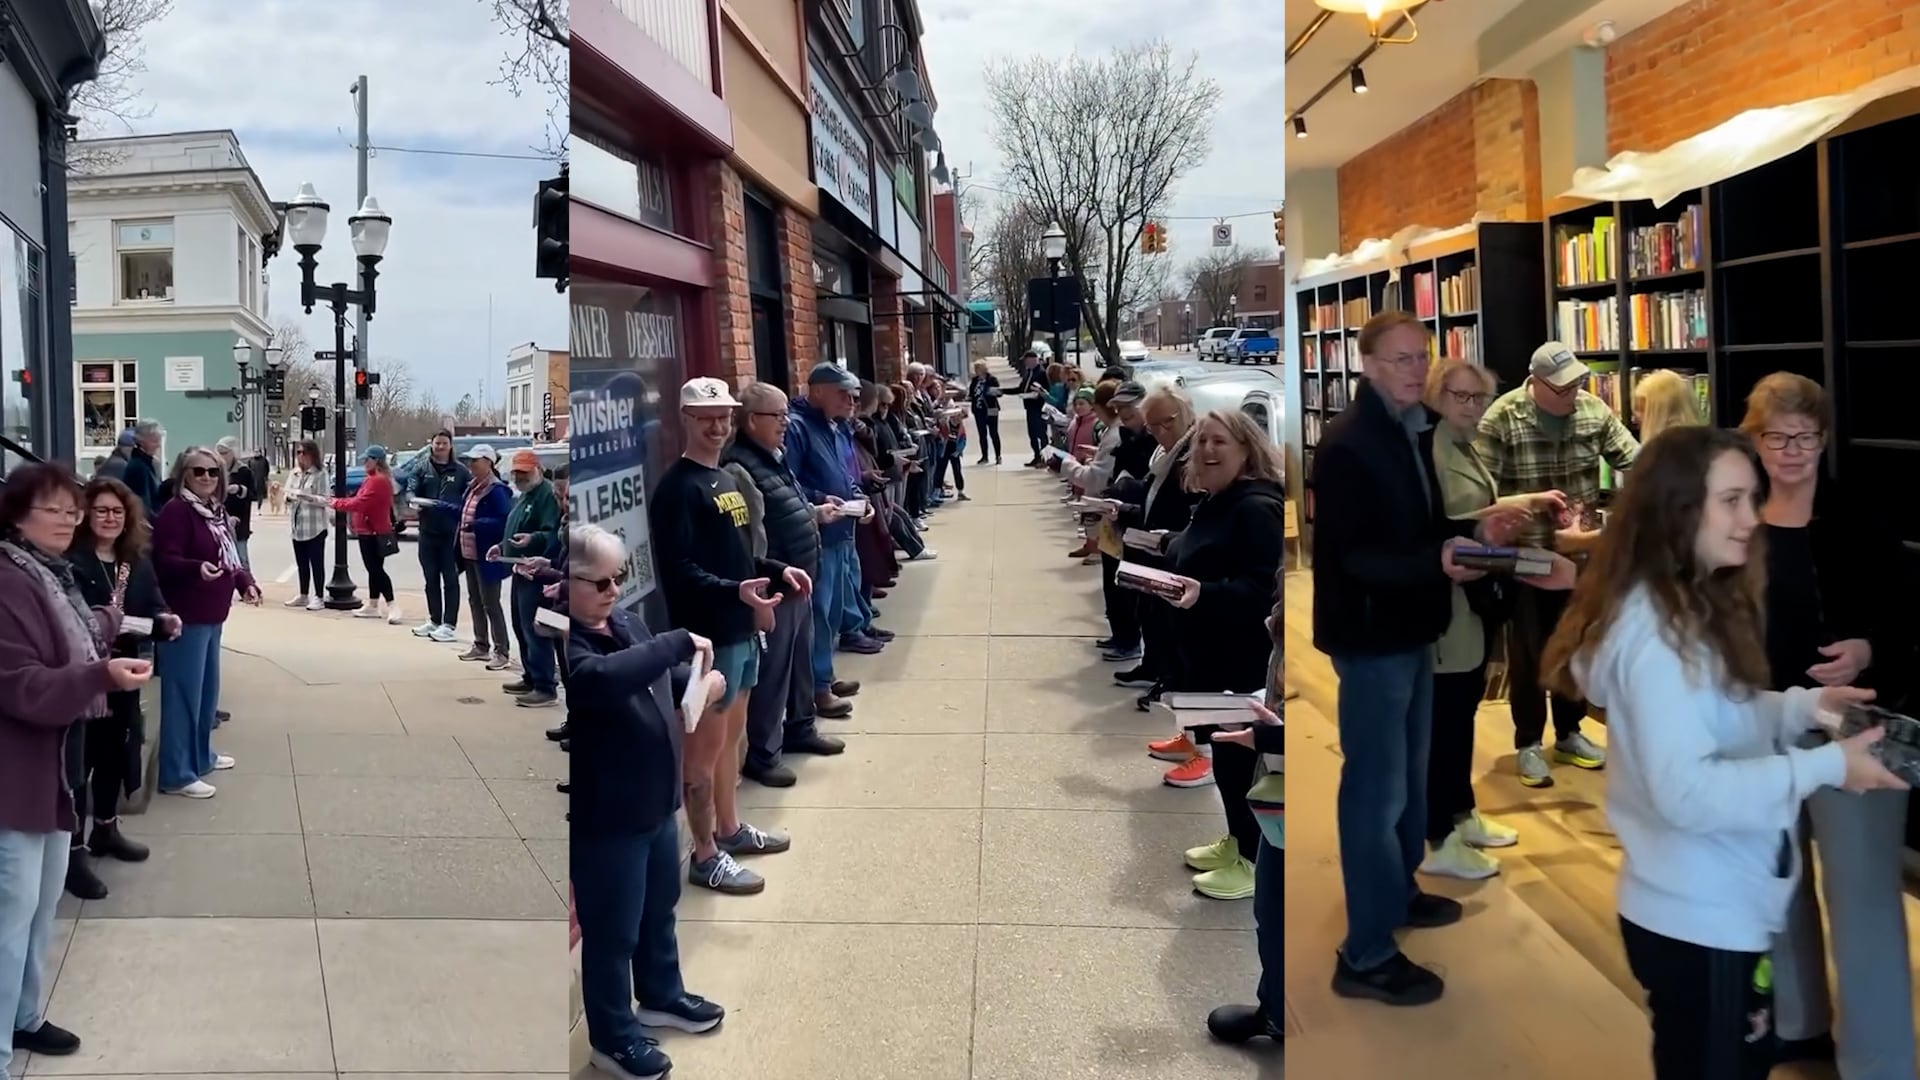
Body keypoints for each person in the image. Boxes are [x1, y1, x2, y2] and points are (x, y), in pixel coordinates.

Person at [1537, 423, 1903, 1080]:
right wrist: (1826, 766)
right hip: (1697, 920)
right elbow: (1689, 792)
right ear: (1680, 511)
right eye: (1731, 501)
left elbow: (1716, 715)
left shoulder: (1685, 607)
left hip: (1713, 910)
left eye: (1749, 499)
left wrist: (1803, 707)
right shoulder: (1657, 636)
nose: (1749, 519)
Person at [1311, 311, 1524, 1006]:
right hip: (1373, 638)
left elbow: (1421, 528)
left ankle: (1396, 895)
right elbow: (1349, 556)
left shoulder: (1410, 431)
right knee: (1375, 794)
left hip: (1410, 629)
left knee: (1407, 782)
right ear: (1367, 364)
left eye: (1420, 357)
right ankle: (1365, 955)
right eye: (1399, 359)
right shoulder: (1349, 443)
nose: (1413, 369)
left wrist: (1472, 531)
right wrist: (1435, 560)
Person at [1738, 373, 1915, 1077]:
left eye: (1805, 436)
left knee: (1864, 899)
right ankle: (1799, 1024)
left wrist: (1871, 648)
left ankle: (1880, 1062)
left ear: (1823, 439)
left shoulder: (1858, 517)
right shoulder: (1735, 516)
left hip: (1856, 731)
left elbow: (1907, 614)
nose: (1791, 450)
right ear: (1754, 440)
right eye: (1777, 436)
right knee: (1777, 885)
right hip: (1757, 727)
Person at [0, 462, 154, 1074]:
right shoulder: (8, 583)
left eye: (74, 509)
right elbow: (21, 684)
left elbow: (78, 630)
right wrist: (101, 673)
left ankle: (24, 1016)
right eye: (55, 509)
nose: (70, 520)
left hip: (56, 767)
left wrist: (111, 626)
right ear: (16, 515)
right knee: (10, 915)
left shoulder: (48, 575)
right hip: (16, 774)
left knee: (39, 908)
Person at [567, 523, 727, 1080]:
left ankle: (660, 993)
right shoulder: (570, 642)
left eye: (620, 578)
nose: (613, 591)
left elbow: (660, 673)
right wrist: (675, 643)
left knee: (659, 910)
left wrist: (701, 680)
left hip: (656, 806)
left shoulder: (626, 621)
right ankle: (612, 1037)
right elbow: (606, 679)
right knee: (613, 933)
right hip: (608, 818)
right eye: (600, 582)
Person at [650, 377, 802, 895]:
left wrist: (777, 571)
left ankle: (730, 829)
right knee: (702, 752)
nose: (716, 426)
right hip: (706, 640)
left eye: (723, 417)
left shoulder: (728, 480)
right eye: (705, 417)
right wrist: (737, 590)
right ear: (686, 420)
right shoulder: (677, 489)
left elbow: (737, 556)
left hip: (741, 632)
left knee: (732, 740)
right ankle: (704, 852)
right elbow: (679, 569)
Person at [1418, 358, 1565, 880]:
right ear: (1436, 396)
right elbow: (1445, 522)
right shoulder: (1432, 449)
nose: (1474, 407)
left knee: (1462, 718)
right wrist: (1496, 530)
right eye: (1462, 397)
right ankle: (1440, 837)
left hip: (1472, 606)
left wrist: (1526, 502)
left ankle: (1462, 814)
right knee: (1447, 726)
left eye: (1480, 398)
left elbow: (1478, 504)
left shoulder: (1461, 444)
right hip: (1448, 610)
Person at [1476, 341, 1638, 787]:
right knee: (1528, 652)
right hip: (1526, 555)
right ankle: (1528, 742)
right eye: (1563, 388)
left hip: (1579, 551)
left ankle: (1569, 732)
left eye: (1578, 384)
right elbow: (1480, 497)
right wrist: (1524, 508)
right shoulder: (1502, 417)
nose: (1573, 394)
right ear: (1536, 382)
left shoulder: (1593, 410)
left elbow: (1636, 460)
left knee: (1575, 645)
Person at [1155, 409, 1285, 901]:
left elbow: (1264, 590)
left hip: (1241, 660)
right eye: (1201, 442)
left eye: (1219, 442)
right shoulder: (1216, 501)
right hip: (1209, 656)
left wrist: (1204, 593)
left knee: (1241, 760)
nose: (1207, 451)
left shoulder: (1256, 508)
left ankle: (1253, 861)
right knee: (1226, 760)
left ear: (1247, 449)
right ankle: (1237, 840)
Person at [723, 382, 851, 789]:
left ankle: (801, 728)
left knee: (798, 666)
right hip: (775, 587)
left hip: (799, 579)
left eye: (784, 414)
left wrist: (814, 513)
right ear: (750, 420)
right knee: (773, 674)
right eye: (775, 416)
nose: (784, 423)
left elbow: (785, 510)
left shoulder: (773, 457)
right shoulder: (739, 468)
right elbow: (750, 538)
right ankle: (763, 754)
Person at [64, 477, 178, 899]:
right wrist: (147, 625)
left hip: (125, 672)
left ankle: (106, 829)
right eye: (101, 511)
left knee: (116, 754)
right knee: (80, 766)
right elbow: (85, 621)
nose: (110, 519)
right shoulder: (72, 562)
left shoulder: (135, 558)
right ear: (86, 516)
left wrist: (166, 618)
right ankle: (72, 852)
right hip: (84, 677)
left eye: (117, 511)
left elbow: (152, 604)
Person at [150, 447, 260, 798]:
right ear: (184, 473)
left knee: (205, 696)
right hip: (186, 616)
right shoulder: (176, 512)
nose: (207, 478)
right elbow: (164, 560)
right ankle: (176, 773)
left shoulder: (214, 511)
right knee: (183, 696)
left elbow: (229, 555)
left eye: (213, 472)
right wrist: (194, 568)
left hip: (213, 615)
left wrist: (245, 583)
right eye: (198, 471)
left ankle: (199, 758)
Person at [786, 362, 881, 695]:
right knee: (820, 613)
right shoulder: (797, 428)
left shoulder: (833, 426)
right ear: (817, 391)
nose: (850, 400)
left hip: (841, 529)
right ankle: (817, 685)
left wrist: (859, 499)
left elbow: (846, 473)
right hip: (819, 534)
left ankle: (824, 678)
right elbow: (789, 483)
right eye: (842, 393)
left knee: (833, 610)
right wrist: (819, 499)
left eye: (853, 394)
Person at [497, 449, 563, 707]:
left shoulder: (545, 495)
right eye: (516, 473)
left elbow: (551, 533)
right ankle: (531, 675)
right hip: (520, 569)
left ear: (537, 469)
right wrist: (502, 547)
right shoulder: (524, 496)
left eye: (524, 472)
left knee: (536, 629)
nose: (519, 477)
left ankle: (545, 685)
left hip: (538, 573)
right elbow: (514, 528)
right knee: (520, 625)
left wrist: (532, 540)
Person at [442, 444, 514, 671]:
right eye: (470, 461)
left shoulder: (497, 490)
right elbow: (463, 512)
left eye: (476, 461)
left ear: (489, 463)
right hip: (469, 554)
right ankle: (480, 644)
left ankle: (501, 650)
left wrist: (477, 524)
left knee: (490, 602)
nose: (471, 465)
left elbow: (504, 521)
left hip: (487, 555)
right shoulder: (473, 487)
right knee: (475, 600)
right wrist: (440, 507)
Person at [407, 431, 471, 644]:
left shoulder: (461, 471)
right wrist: (412, 501)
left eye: (444, 443)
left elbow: (469, 498)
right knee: (430, 578)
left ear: (450, 446)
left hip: (450, 534)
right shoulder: (422, 467)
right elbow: (411, 489)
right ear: (431, 445)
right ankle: (434, 620)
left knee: (450, 579)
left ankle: (449, 625)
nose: (440, 447)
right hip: (427, 531)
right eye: (437, 443)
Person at [329, 446, 401, 625]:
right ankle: (373, 604)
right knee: (373, 568)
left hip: (373, 530)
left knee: (375, 569)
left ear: (376, 461)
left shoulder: (377, 481)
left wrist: (336, 503)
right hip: (369, 529)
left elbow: (360, 503)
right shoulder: (373, 479)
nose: (364, 463)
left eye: (367, 460)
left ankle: (392, 604)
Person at [283, 439, 330, 611]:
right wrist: (288, 497)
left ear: (312, 454)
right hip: (298, 526)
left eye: (304, 453)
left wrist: (309, 498)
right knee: (301, 563)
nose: (300, 457)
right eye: (298, 453)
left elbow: (326, 499)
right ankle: (303, 594)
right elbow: (287, 492)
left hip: (315, 526)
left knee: (316, 562)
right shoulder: (294, 473)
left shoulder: (320, 474)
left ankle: (318, 596)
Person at [214, 437, 257, 570]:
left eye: (225, 453)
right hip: (218, 521)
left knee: (241, 559)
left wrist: (239, 489)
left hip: (239, 523)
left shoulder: (244, 471)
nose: (222, 457)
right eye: (219, 453)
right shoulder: (214, 471)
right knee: (221, 559)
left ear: (233, 453)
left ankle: (249, 588)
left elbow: (253, 494)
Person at [1632, 368, 1703, 444]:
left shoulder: (1666, 449)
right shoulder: (1701, 444)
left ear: (1661, 410)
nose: (1634, 419)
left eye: (1641, 409)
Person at [1015, 350, 1053, 467]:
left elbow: (1046, 390)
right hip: (1029, 407)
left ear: (1033, 360)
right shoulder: (1028, 373)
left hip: (1039, 407)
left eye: (1026, 360)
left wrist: (1036, 395)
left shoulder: (1041, 373)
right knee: (1032, 434)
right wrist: (1002, 391)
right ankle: (1037, 456)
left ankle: (1045, 458)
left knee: (1041, 433)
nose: (1025, 363)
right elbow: (1021, 389)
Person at [122, 420, 166, 515]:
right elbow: (143, 505)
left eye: (159, 440)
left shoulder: (147, 464)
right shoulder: (138, 467)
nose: (158, 445)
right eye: (154, 441)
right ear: (141, 441)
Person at [967, 358, 1003, 465]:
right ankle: (984, 456)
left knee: (993, 433)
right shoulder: (975, 380)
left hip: (991, 408)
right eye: (975, 369)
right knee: (982, 434)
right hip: (979, 410)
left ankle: (998, 455)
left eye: (978, 368)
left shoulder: (992, 379)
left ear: (984, 369)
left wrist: (991, 392)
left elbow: (999, 393)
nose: (976, 370)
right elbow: (971, 393)